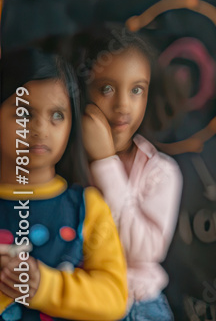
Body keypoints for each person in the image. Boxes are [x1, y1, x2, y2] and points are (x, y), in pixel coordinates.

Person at [0, 45, 128, 321]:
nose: (41, 129)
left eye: (57, 115)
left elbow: (115, 297)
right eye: (24, 114)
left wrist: (44, 287)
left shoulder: (86, 207)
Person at [74, 25, 184, 321]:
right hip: (74, 303)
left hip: (138, 307)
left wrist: (105, 162)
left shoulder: (160, 171)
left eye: (137, 90)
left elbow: (143, 251)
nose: (123, 105)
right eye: (106, 89)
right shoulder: (62, 163)